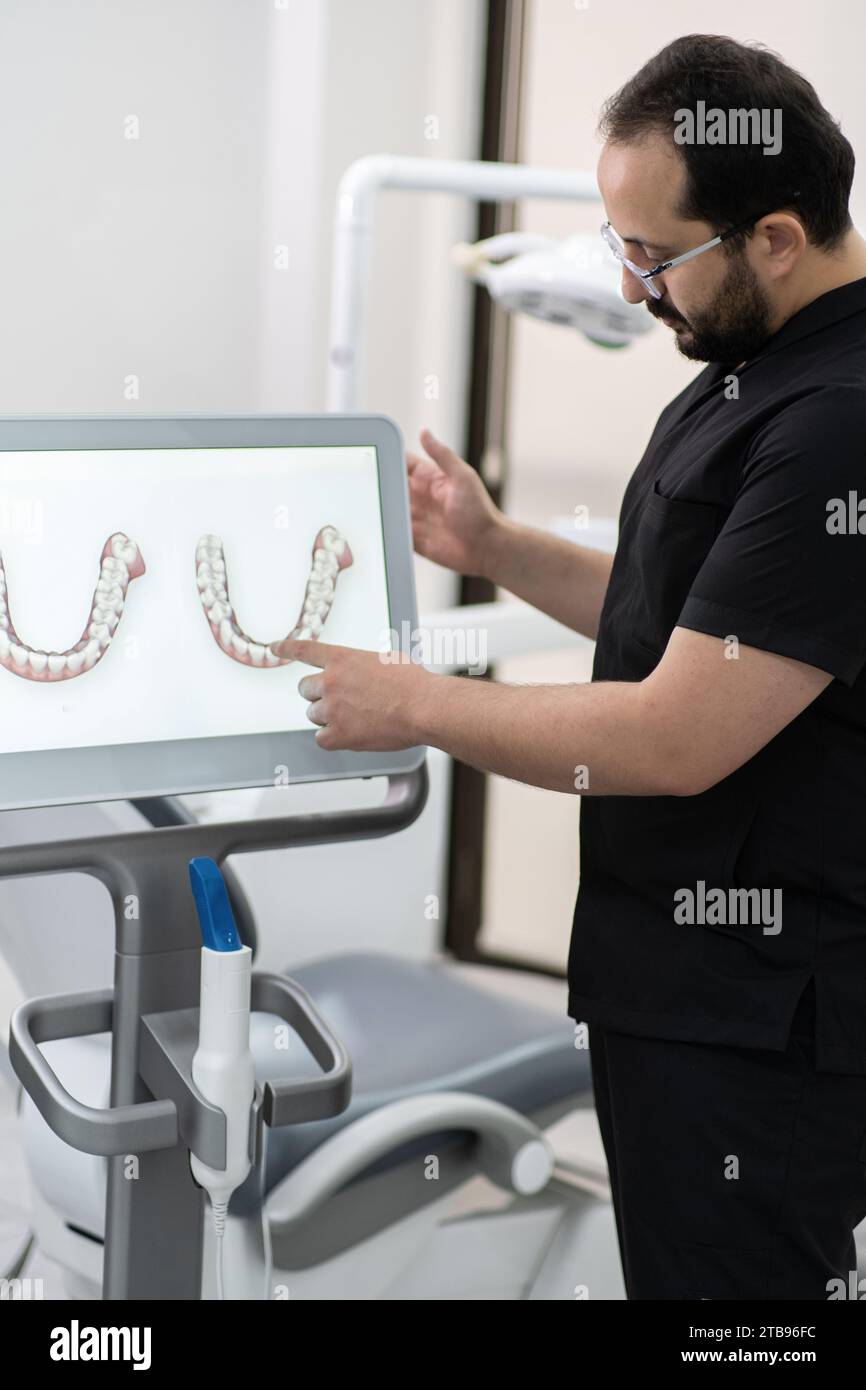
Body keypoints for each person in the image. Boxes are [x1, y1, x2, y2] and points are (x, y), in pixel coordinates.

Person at [274, 34, 866, 1298]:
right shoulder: (746, 368)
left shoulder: (837, 423)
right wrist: (493, 545)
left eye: (654, 254)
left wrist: (416, 703)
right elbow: (696, 625)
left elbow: (671, 733)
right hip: (682, 985)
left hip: (758, 1021)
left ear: (771, 236)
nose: (632, 285)